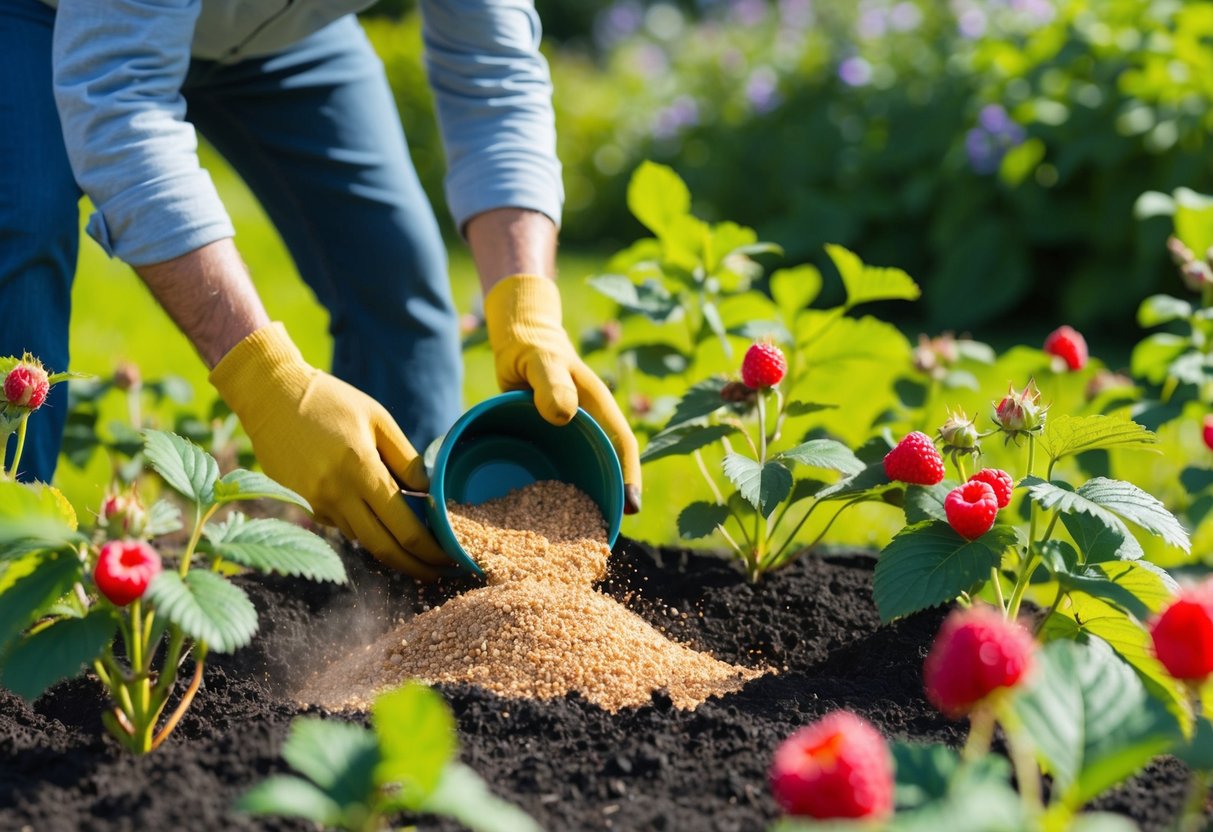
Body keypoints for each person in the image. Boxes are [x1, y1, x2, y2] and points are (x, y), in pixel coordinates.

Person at [1, 0, 641, 579]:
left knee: (398, 285)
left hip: (281, 35)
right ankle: (13, 584)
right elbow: (117, 97)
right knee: (19, 232)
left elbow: (495, 73)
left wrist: (527, 308)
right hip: (44, 13)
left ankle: (390, 600)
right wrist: (266, 380)